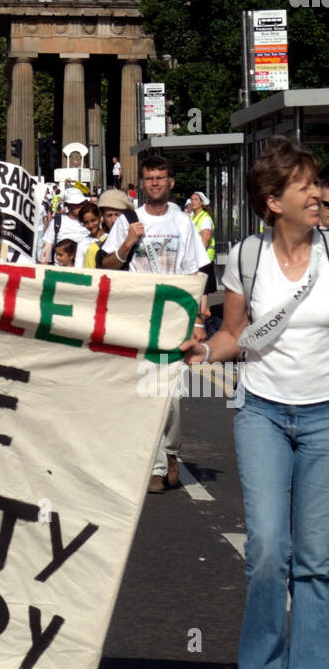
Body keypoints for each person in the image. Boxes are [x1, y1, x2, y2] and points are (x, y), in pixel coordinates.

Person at [182, 137, 329, 669]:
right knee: (268, 550)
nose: (319, 194)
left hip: (325, 417)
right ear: (273, 201)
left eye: (318, 184)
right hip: (263, 413)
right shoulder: (245, 257)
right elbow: (235, 336)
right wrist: (201, 350)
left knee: (317, 561)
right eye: (306, 186)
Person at [100, 154, 209, 493]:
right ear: (142, 183)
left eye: (161, 177)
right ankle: (157, 467)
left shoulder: (182, 223)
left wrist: (200, 319)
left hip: (175, 316)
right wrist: (129, 241)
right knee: (146, 392)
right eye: (149, 178)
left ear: (170, 182)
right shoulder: (128, 220)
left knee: (172, 396)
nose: (156, 183)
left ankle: (171, 451)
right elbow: (106, 265)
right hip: (138, 316)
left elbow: (198, 271)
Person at [78, 188, 131, 268]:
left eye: (117, 215)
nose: (114, 220)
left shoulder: (139, 238)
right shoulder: (93, 249)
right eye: (109, 215)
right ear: (103, 217)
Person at [38, 186, 90, 263]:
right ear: (69, 205)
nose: (81, 206)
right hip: (61, 272)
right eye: (78, 204)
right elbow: (46, 251)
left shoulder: (90, 222)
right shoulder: (57, 223)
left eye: (83, 203)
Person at [189, 190, 217, 291]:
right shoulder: (192, 217)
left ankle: (203, 308)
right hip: (194, 258)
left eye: (196, 200)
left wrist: (198, 256)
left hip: (203, 259)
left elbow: (206, 238)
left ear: (202, 203)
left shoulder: (205, 218)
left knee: (203, 290)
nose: (193, 202)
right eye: (192, 199)